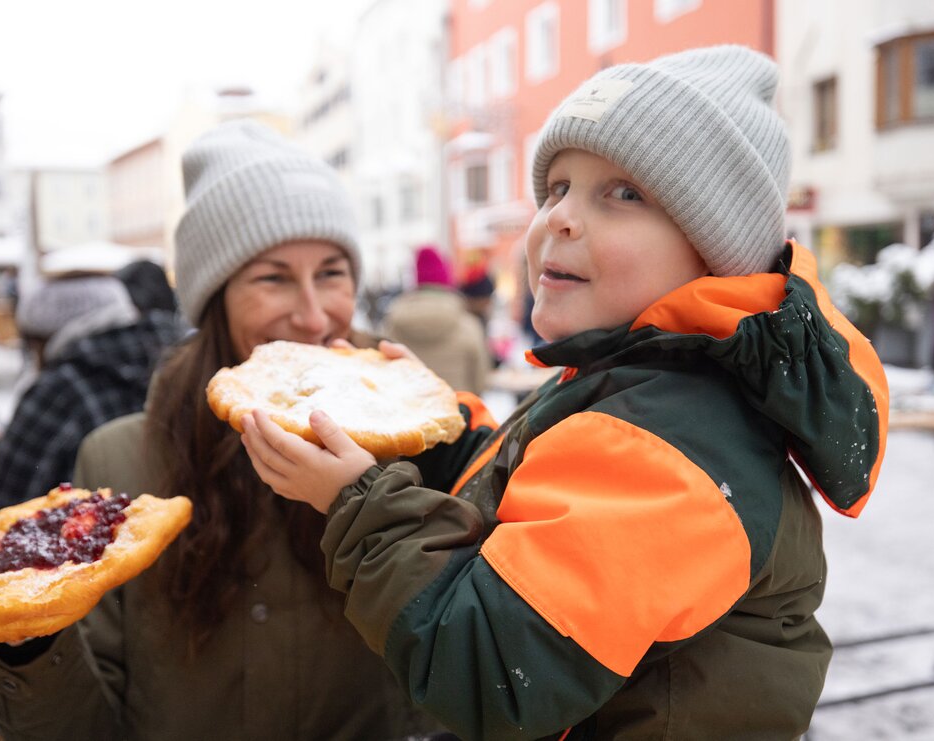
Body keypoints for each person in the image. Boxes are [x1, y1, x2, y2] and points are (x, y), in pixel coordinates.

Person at [240, 46, 891, 739]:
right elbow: (537, 501)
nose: (560, 217)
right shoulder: (637, 391)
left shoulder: (677, 445)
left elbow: (489, 668)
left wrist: (358, 504)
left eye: (624, 193)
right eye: (556, 187)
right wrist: (437, 432)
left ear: (713, 248)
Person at [0, 120, 440, 740]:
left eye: (331, 273)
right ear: (213, 299)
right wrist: (26, 635)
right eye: (272, 277)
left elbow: (450, 681)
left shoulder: (412, 456)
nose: (312, 313)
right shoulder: (123, 462)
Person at [0, 274, 186, 523]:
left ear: (47, 337)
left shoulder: (58, 391)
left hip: (86, 554)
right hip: (182, 542)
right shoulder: (181, 364)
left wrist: (2, 446)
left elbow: (0, 511)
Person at [380, 245, 491, 395]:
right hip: (460, 412)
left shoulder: (391, 325)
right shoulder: (468, 325)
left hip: (410, 414)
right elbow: (481, 382)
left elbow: (385, 378)